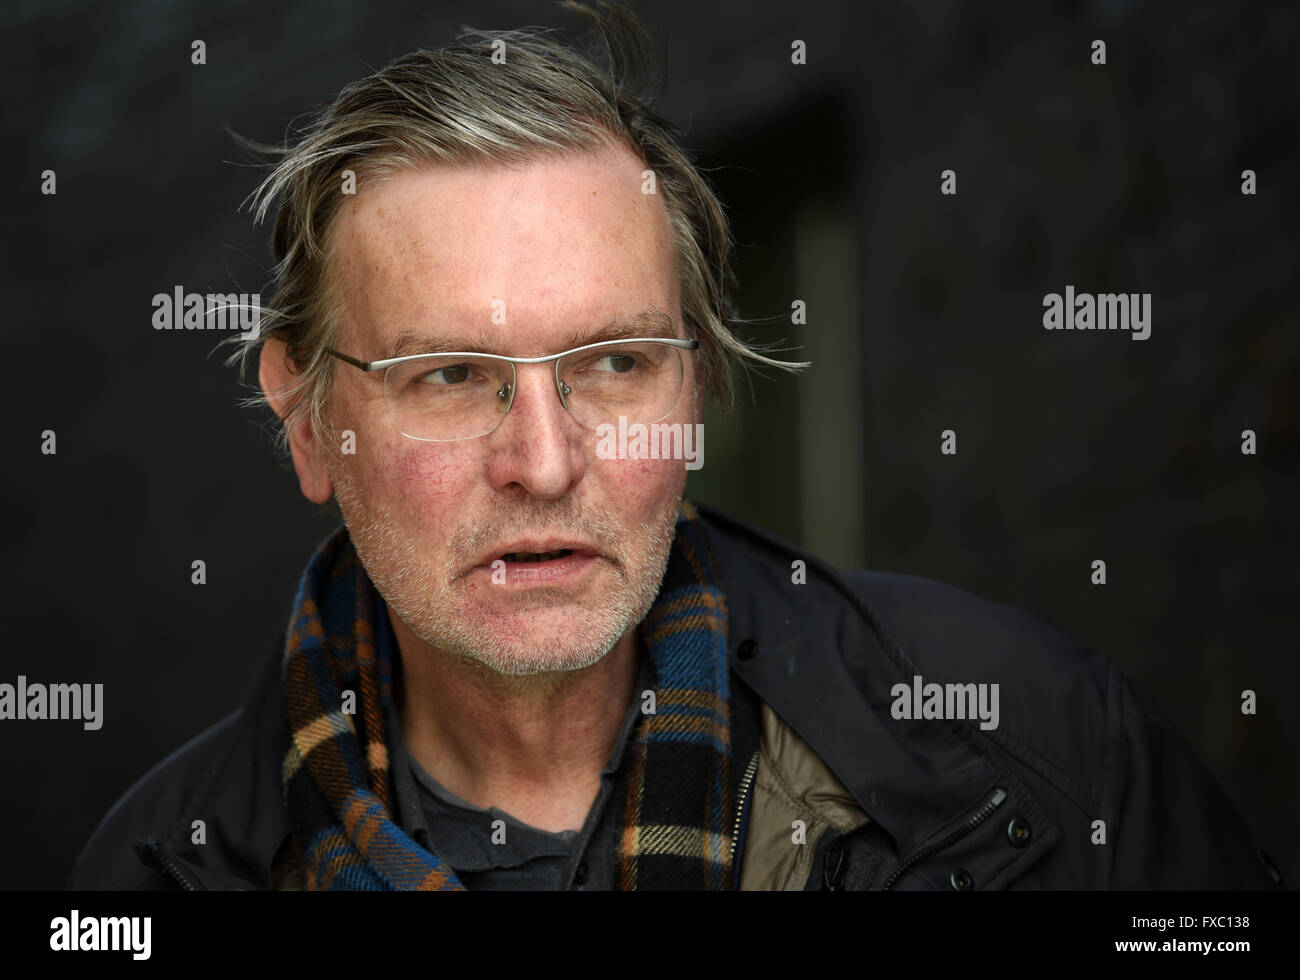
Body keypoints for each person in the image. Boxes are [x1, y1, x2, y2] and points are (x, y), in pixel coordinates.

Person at [70, 2, 1281, 891]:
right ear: (308, 418)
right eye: (449, 375)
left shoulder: (1043, 758)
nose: (543, 463)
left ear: (691, 383)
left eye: (612, 362)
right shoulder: (145, 878)